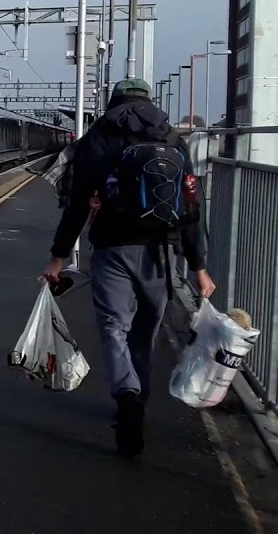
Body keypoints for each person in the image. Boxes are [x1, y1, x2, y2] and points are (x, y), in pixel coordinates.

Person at [42, 77, 216, 458]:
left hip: (112, 248)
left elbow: (75, 205)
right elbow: (191, 207)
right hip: (160, 251)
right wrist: (199, 267)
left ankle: (127, 395)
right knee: (145, 334)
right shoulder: (171, 137)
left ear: (115, 101)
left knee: (113, 327)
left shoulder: (99, 136)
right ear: (148, 101)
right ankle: (141, 400)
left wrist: (58, 257)